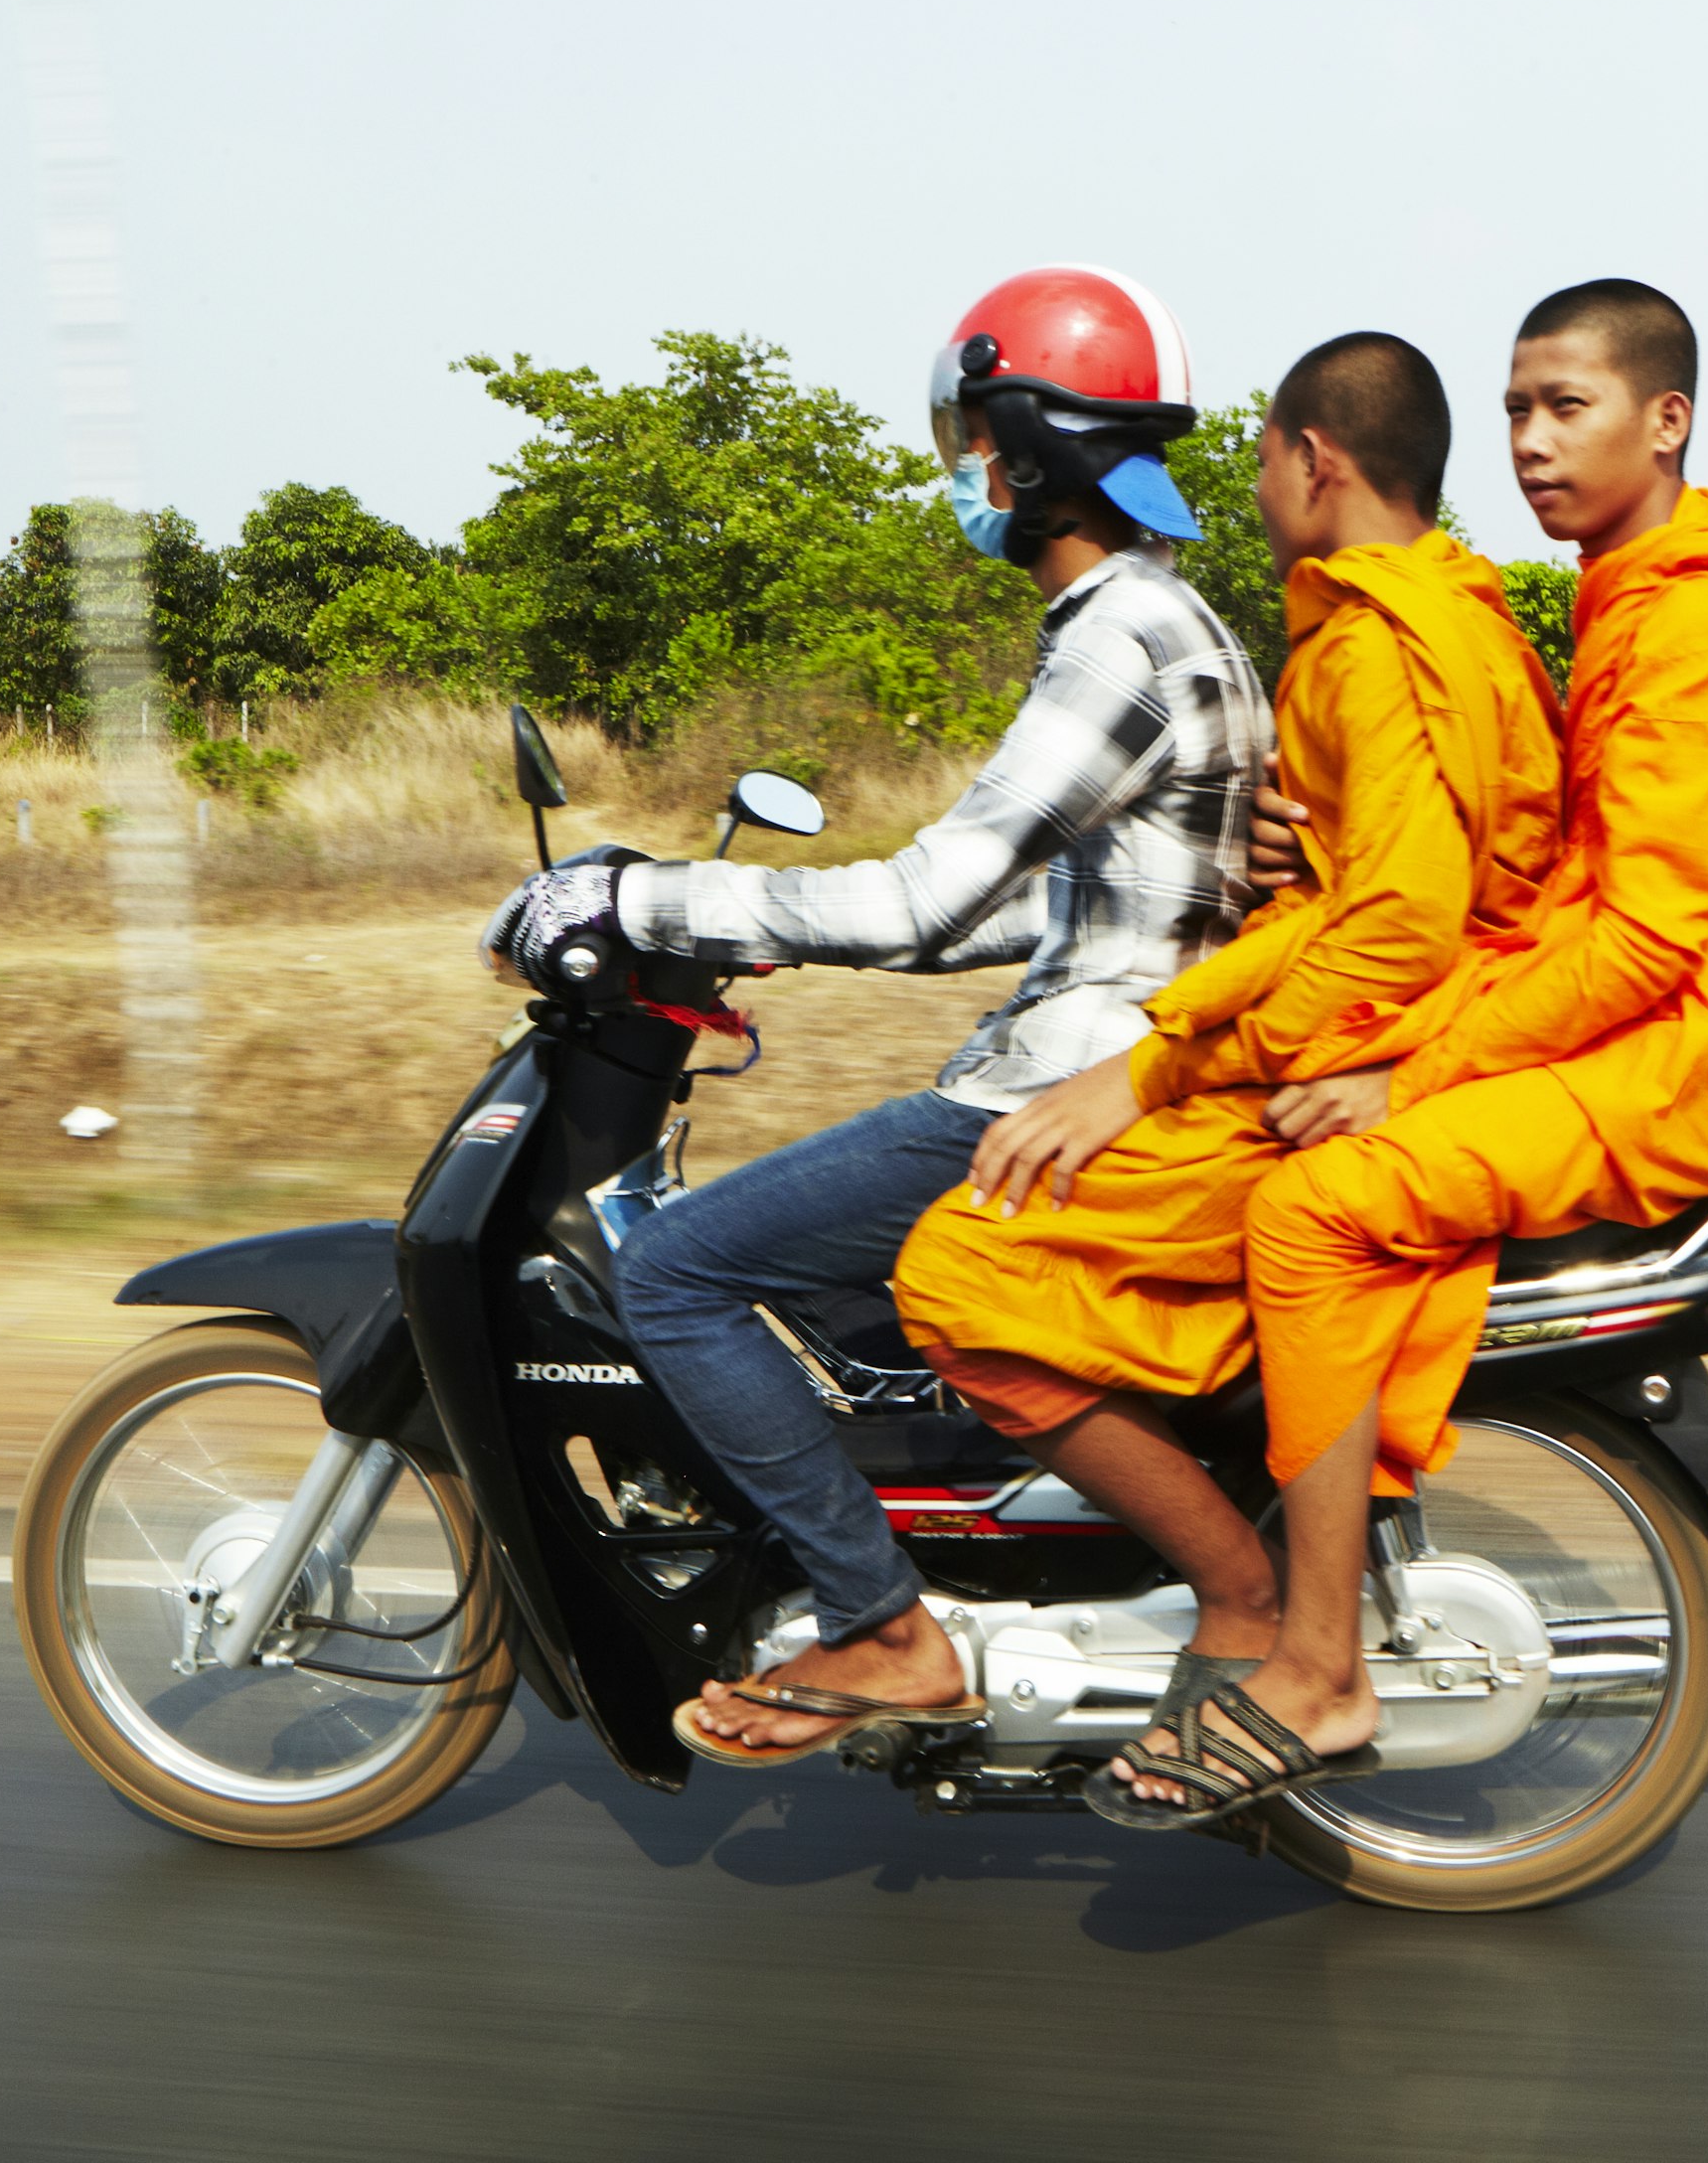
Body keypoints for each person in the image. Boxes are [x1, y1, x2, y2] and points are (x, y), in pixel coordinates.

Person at [1096, 277, 1708, 1823]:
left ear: (1669, 419)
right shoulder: (1618, 590)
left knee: (1318, 1205)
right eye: (1515, 408)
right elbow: (1561, 868)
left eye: (1564, 406)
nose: (1527, 441)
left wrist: (1411, 1071)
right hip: (1626, 1007)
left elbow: (1647, 935)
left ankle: (1316, 1664)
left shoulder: (1701, 608)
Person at [482, 264, 1271, 1768]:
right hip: (1138, 1060)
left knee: (686, 1271)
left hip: (1082, 1084)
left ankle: (885, 1625)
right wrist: (778, 939)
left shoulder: (1119, 636)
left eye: (977, 436)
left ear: (1029, 446)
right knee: (848, 1309)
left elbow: (923, 896)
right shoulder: (1172, 622)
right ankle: (949, 1566)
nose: (965, 468)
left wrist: (645, 902)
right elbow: (1032, 915)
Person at [883, 333, 1560, 1803]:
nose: (1249, 492)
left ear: (1316, 459)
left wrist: (1150, 1072)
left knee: (959, 1274)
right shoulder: (1442, 618)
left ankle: (1244, 1606)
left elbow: (1394, 927)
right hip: (1363, 1029)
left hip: (1351, 1058)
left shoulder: (1382, 641)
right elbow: (1365, 880)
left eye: (1259, 459)